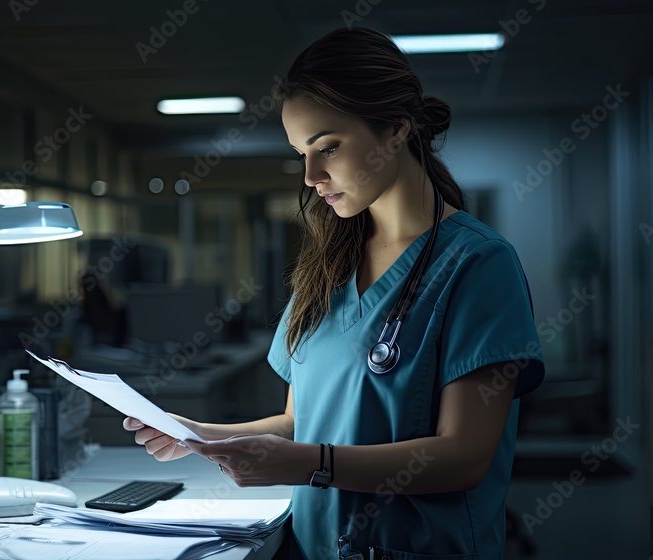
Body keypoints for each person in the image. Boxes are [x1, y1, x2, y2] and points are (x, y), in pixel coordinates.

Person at [124, 27, 545, 559]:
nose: (310, 176)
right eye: (301, 152)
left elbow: (464, 456)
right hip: (314, 545)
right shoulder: (325, 268)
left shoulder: (478, 264)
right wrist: (199, 435)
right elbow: (304, 422)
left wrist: (308, 464)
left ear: (396, 128)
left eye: (327, 147)